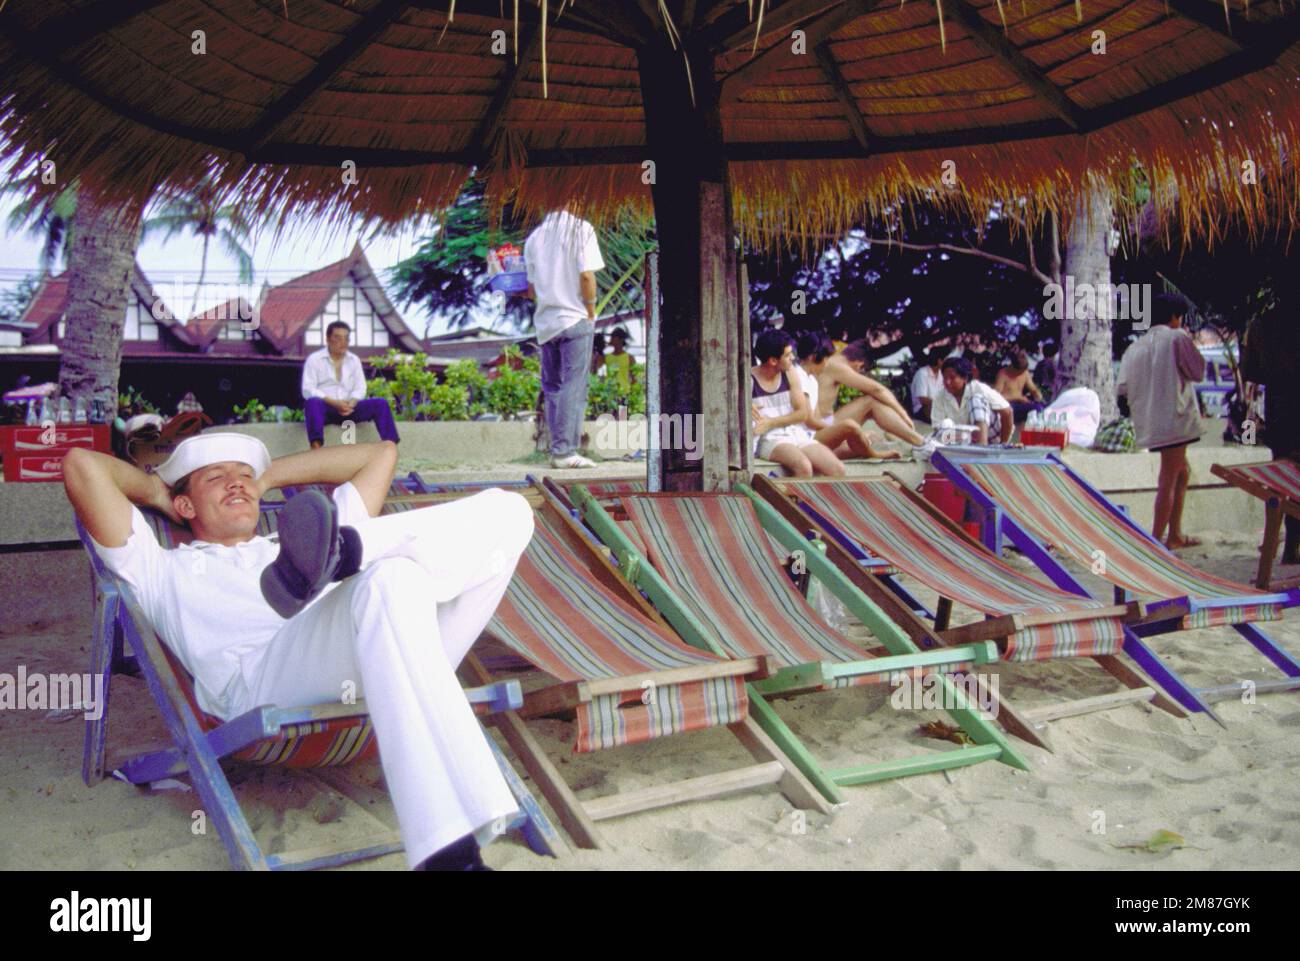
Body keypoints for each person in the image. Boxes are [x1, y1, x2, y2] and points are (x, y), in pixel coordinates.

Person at [61, 433, 534, 871]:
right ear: (184, 502)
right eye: (216, 477)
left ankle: (351, 551)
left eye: (244, 477)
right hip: (260, 680)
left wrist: (266, 476)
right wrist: (156, 490)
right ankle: (453, 856)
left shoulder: (292, 547)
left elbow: (380, 453)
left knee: (510, 513)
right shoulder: (158, 567)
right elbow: (82, 465)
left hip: (387, 654)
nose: (237, 485)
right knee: (390, 579)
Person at [1117, 291, 1206, 549]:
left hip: (1151, 421)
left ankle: (1175, 534)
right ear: (1175, 317)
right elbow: (1197, 371)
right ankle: (1157, 541)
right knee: (1169, 476)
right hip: (1176, 420)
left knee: (1181, 472)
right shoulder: (1177, 338)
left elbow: (1122, 389)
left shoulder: (1136, 346)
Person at [524, 205, 605, 469]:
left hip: (546, 325)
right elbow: (586, 275)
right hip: (575, 318)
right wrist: (591, 309)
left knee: (553, 387)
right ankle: (565, 452)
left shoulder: (535, 237)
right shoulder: (581, 229)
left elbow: (531, 290)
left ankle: (557, 450)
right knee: (574, 386)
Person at [1242, 274, 1300, 565]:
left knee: (1285, 480)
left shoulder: (1262, 325)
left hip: (1281, 411)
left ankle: (1291, 545)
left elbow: (1251, 370)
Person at [812, 338, 935, 454]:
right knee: (871, 402)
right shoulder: (837, 366)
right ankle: (920, 442)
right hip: (816, 431)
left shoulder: (832, 362)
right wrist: (903, 414)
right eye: (862, 370)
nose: (859, 373)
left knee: (869, 407)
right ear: (860, 364)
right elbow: (877, 389)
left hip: (824, 423)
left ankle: (920, 441)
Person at [751, 329, 845, 477]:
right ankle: (794, 501)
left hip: (797, 434)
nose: (793, 358)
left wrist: (771, 422)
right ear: (773, 361)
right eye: (788, 355)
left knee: (837, 469)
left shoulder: (789, 373)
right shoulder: (749, 379)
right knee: (804, 467)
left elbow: (801, 414)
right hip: (770, 439)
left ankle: (820, 500)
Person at [794, 331, 901, 461]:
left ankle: (862, 444)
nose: (827, 364)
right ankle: (874, 455)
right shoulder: (797, 377)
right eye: (826, 359)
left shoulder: (811, 380)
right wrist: (838, 429)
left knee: (854, 443)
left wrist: (838, 433)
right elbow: (809, 420)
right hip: (800, 437)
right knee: (850, 426)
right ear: (813, 357)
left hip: (811, 434)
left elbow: (816, 417)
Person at [302, 321, 400, 450]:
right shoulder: (314, 359)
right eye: (338, 338)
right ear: (328, 339)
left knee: (380, 403)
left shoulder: (354, 360)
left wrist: (352, 403)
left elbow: (360, 387)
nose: (343, 342)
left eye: (346, 338)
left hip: (350, 408)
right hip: (327, 409)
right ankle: (316, 449)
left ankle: (390, 448)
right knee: (312, 402)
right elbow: (307, 389)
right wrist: (334, 403)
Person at [932, 355, 1013, 445]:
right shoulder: (940, 397)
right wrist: (964, 436)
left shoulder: (977, 388)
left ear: (965, 378)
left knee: (976, 399)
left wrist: (1003, 443)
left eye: (952, 378)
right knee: (945, 425)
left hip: (992, 437)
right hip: (964, 440)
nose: (947, 382)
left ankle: (982, 446)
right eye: (945, 378)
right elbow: (938, 431)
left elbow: (1007, 412)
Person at [993, 349, 1045, 423]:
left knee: (1041, 408)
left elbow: (1032, 388)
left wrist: (1036, 393)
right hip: (1007, 406)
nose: (1021, 374)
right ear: (1013, 367)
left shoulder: (1025, 373)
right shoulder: (1003, 374)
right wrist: (1018, 398)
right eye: (1019, 372)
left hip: (1021, 404)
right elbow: (995, 396)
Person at [909, 348, 943, 423]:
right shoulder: (922, 373)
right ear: (939, 361)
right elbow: (923, 399)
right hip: (922, 410)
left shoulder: (941, 375)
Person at [603, 326, 633, 396]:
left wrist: (633, 395)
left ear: (621, 339)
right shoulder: (606, 357)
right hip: (609, 395)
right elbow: (595, 368)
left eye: (613, 337)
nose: (611, 339)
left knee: (623, 407)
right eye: (611, 337)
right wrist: (603, 346)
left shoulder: (629, 358)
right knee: (611, 407)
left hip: (624, 394)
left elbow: (634, 379)